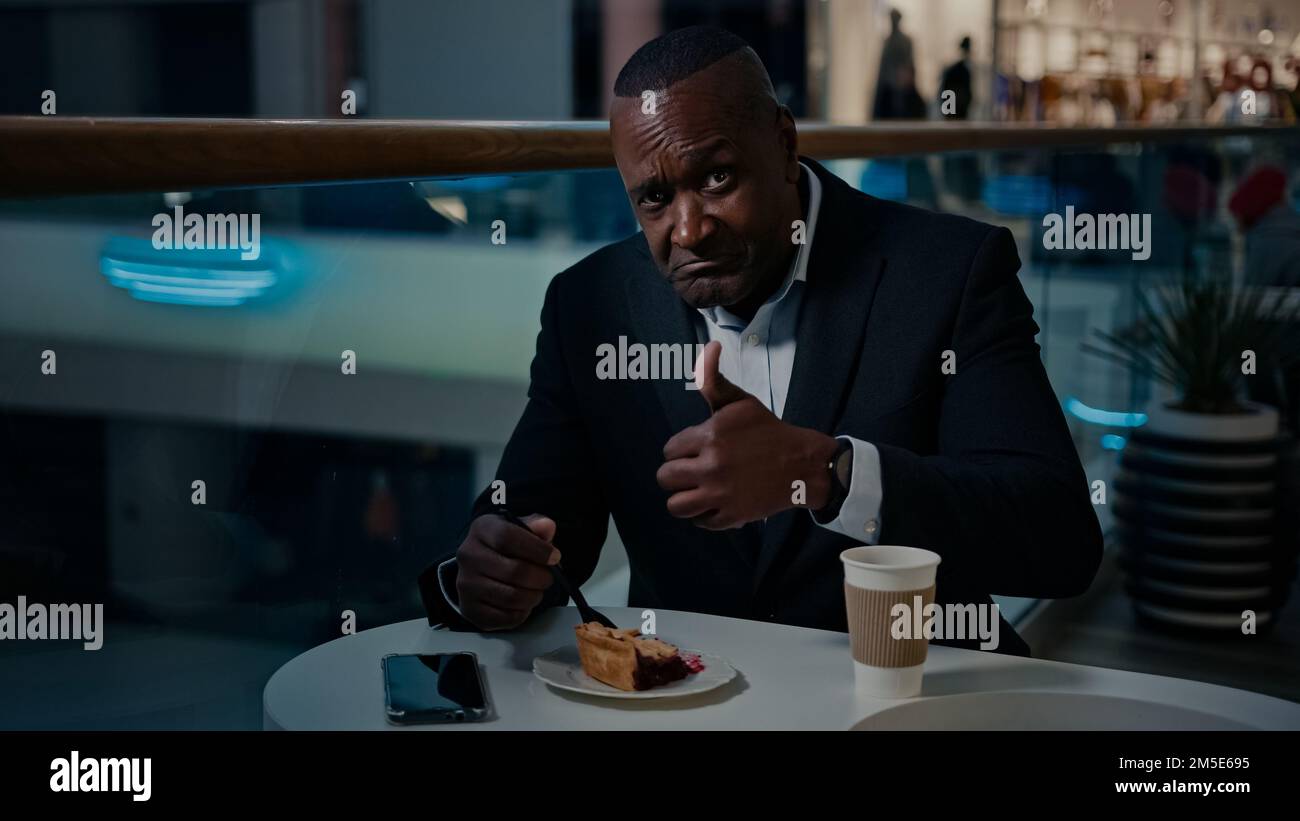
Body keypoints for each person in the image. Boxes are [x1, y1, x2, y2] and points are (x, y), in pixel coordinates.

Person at [419, 26, 1102, 656]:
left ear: (783, 143)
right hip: (693, 707)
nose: (688, 230)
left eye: (716, 178)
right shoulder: (590, 306)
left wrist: (830, 474)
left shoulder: (950, 273)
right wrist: (488, 570)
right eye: (654, 199)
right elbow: (535, 520)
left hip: (911, 696)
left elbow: (1059, 539)